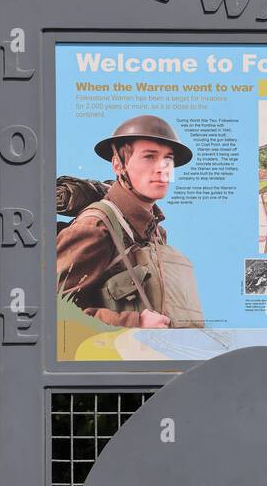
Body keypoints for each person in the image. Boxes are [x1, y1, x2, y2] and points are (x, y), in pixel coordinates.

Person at [56, 115, 204, 329]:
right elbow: (55, 312)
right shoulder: (96, 227)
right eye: (149, 157)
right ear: (118, 165)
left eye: (168, 159)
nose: (162, 168)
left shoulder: (155, 233)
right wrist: (135, 323)